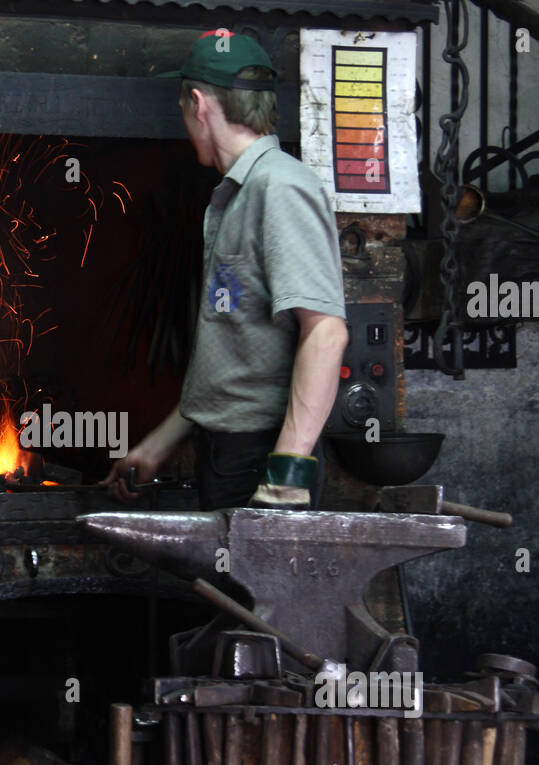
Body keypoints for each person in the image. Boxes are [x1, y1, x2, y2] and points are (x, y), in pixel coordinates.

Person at [103, 30, 348, 511]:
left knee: (252, 588)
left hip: (261, 457)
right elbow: (236, 359)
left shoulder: (280, 188)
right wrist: (161, 443)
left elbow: (326, 334)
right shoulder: (236, 195)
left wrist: (287, 474)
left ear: (198, 104)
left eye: (182, 110)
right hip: (227, 453)